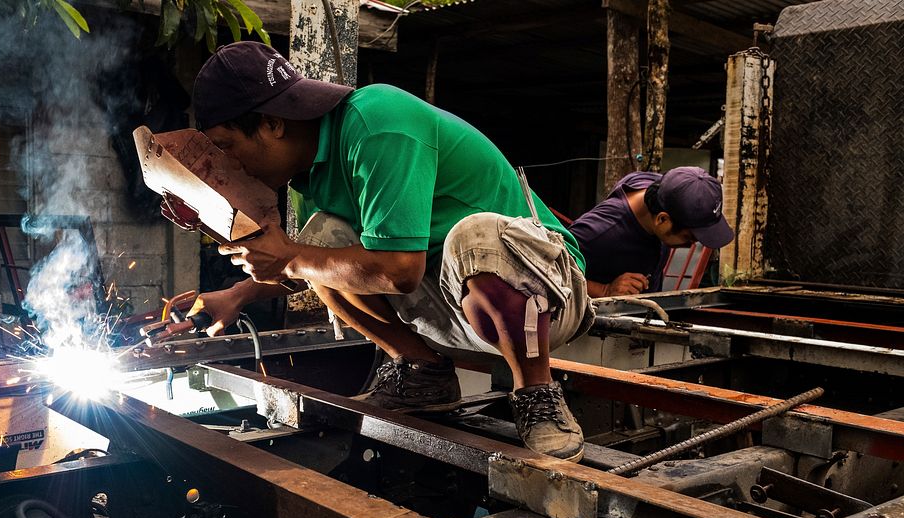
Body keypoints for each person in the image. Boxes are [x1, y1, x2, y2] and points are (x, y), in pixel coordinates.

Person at [166, 42, 595, 461]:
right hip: (455, 307)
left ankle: (537, 392)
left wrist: (292, 257)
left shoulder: (378, 120)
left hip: (546, 300)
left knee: (474, 235)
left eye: (226, 145)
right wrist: (237, 295)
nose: (231, 163)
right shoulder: (308, 178)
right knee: (320, 239)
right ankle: (423, 372)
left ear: (272, 124)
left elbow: (400, 272)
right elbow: (315, 264)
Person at [568, 168, 734, 298]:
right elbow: (552, 275)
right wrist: (604, 290)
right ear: (662, 219)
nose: (691, 245)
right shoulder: (599, 232)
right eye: (689, 238)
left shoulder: (661, 189)